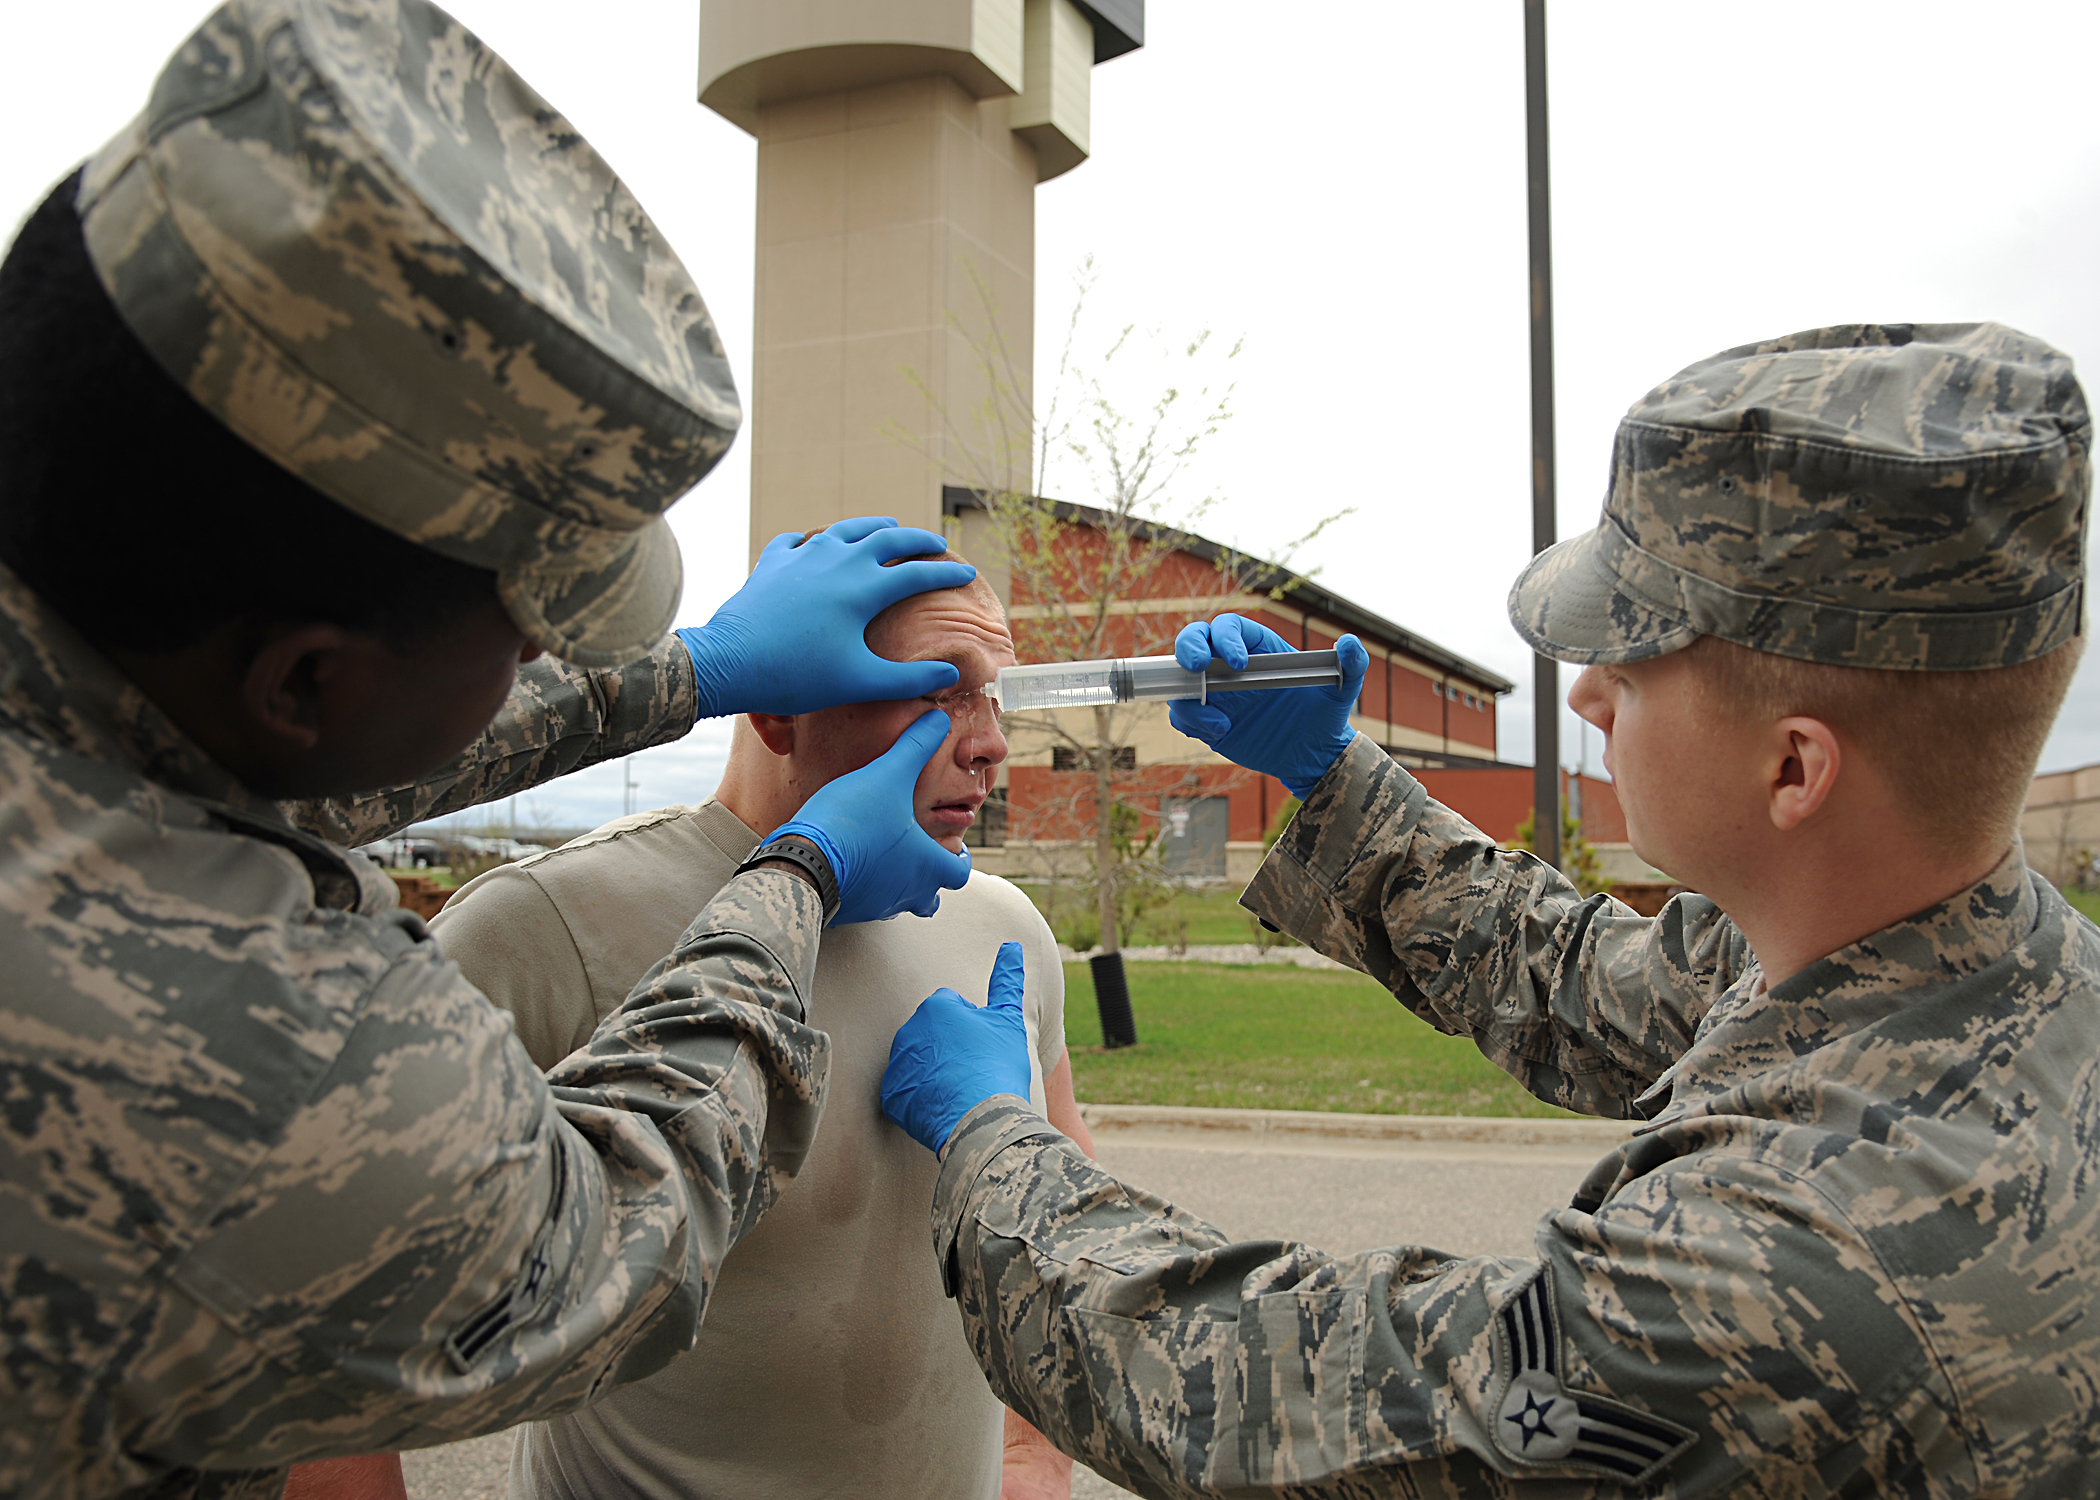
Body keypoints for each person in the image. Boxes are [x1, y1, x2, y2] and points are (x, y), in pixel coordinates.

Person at [0, 4, 983, 1498]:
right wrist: (798, 873)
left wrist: (691, 673)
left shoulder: (93, 669)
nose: (547, 663)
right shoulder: (245, 1057)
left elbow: (247, 752)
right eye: (534, 631)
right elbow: (606, 1250)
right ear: (304, 677)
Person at [879, 323, 2100, 1496]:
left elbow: (1276, 1402)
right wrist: (1331, 777)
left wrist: (995, 1142)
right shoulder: (1961, 964)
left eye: (1631, 663)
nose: (1591, 703)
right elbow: (1581, 981)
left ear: (1794, 769)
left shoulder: (1802, 1260)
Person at [408, 544, 1091, 1500]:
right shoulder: (541, 926)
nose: (990, 745)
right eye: (939, 695)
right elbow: (293, 1293)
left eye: (994, 699)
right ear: (777, 704)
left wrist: (1034, 1458)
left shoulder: (1005, 928)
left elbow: (1060, 1221)